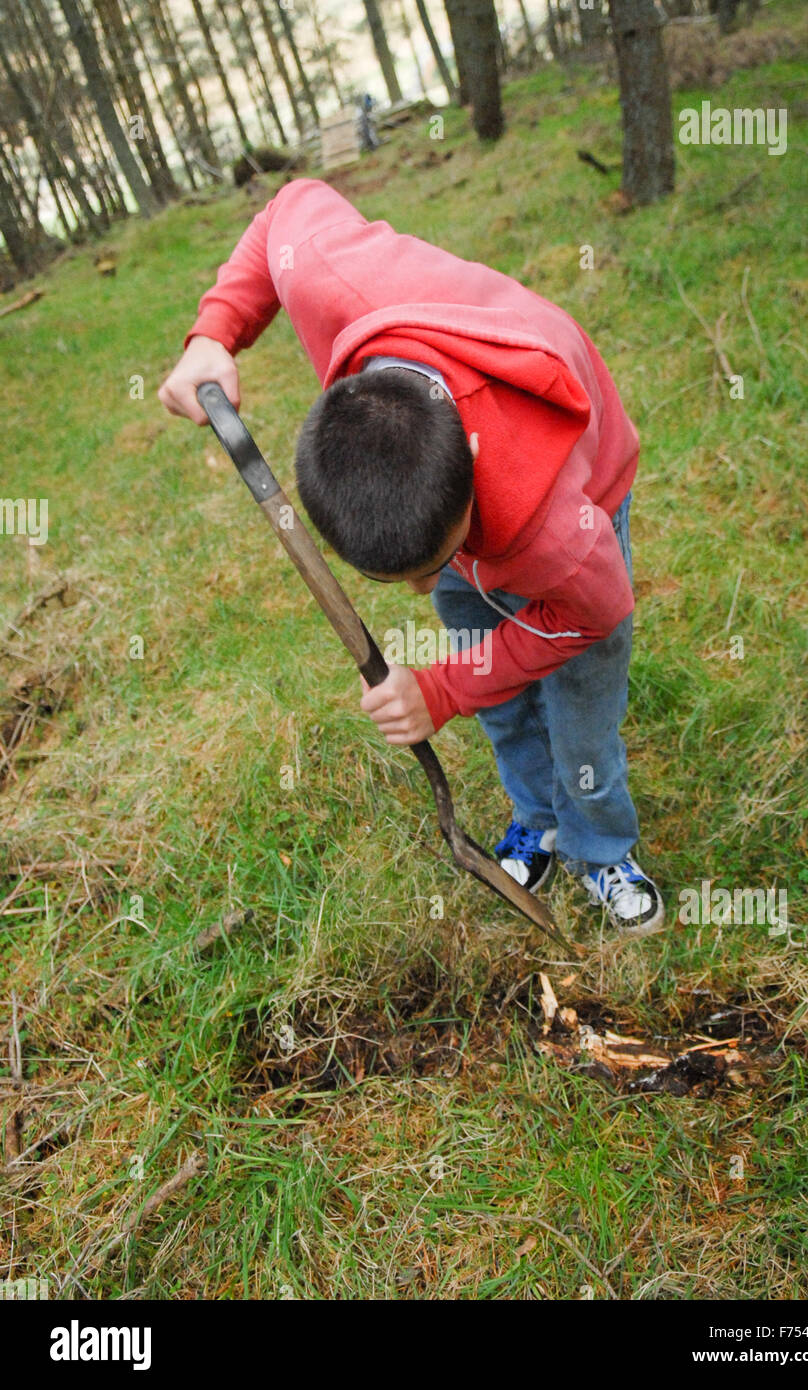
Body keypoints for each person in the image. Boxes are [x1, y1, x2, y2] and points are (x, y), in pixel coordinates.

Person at [158, 178, 664, 933]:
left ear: (467, 462)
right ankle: (537, 816)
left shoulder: (557, 532)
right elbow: (280, 214)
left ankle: (599, 847)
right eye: (398, 577)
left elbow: (589, 616)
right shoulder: (330, 276)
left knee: (578, 700)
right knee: (479, 645)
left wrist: (444, 691)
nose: (422, 587)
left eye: (435, 561)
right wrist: (213, 333)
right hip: (464, 483)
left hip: (576, 478)